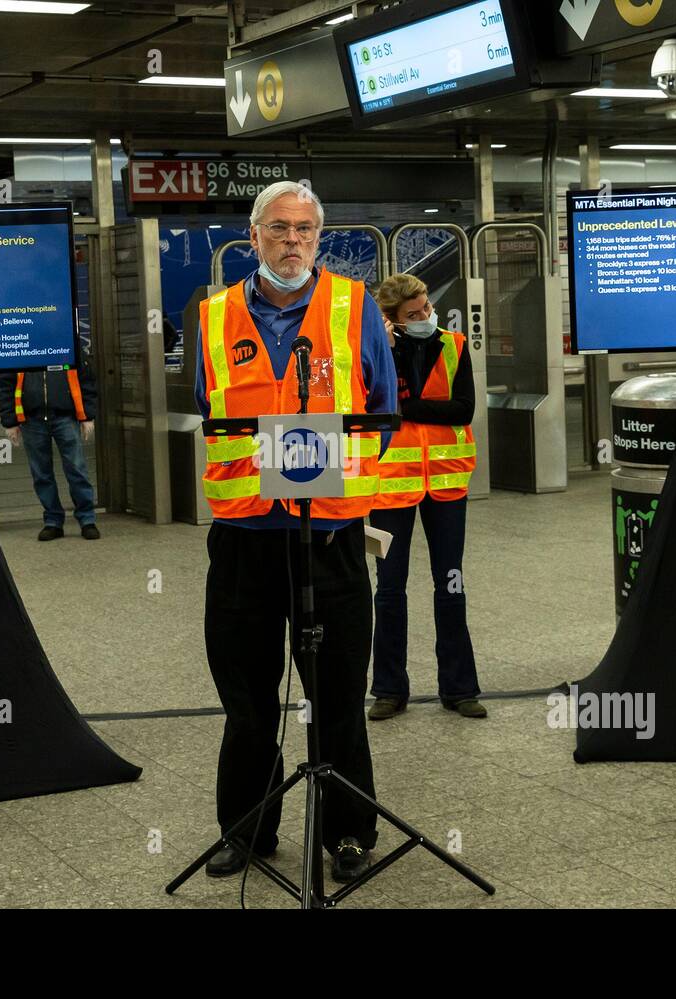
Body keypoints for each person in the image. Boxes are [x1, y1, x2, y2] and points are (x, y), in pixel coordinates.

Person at [193, 180, 397, 883]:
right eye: (278, 228)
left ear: (320, 236)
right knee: (247, 700)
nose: (292, 241)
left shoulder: (355, 307)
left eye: (305, 230)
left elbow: (384, 405)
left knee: (338, 694)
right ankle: (246, 829)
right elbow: (206, 402)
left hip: (331, 537)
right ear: (254, 236)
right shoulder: (214, 316)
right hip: (246, 537)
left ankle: (348, 831)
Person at [367, 274, 485, 722]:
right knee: (389, 589)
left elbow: (463, 409)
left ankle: (460, 689)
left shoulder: (454, 345)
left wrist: (409, 408)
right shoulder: (381, 352)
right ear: (393, 320)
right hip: (390, 485)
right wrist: (389, 349)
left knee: (450, 584)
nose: (425, 319)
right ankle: (388, 690)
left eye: (426, 310)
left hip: (447, 484)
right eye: (413, 315)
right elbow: (373, 408)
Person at [0, 355, 100, 540]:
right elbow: (5, 385)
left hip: (65, 417)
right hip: (31, 419)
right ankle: (53, 521)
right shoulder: (20, 346)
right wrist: (10, 422)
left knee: (77, 470)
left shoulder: (67, 344)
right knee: (41, 474)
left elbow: (86, 381)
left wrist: (87, 416)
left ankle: (87, 520)